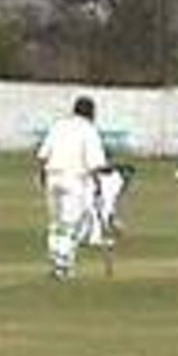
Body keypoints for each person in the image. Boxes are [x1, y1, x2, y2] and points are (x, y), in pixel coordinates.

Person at [36, 95, 108, 279]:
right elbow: (95, 164)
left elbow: (43, 155)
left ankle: (55, 258)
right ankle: (63, 265)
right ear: (91, 113)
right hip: (74, 180)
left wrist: (42, 176)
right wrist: (99, 184)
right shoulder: (89, 130)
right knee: (71, 223)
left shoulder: (59, 126)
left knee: (55, 223)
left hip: (52, 177)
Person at [83, 163, 136, 248]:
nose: (129, 177)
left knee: (91, 217)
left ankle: (85, 237)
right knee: (98, 217)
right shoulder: (117, 179)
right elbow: (108, 200)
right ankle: (94, 239)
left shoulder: (117, 178)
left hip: (90, 195)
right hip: (92, 195)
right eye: (128, 174)